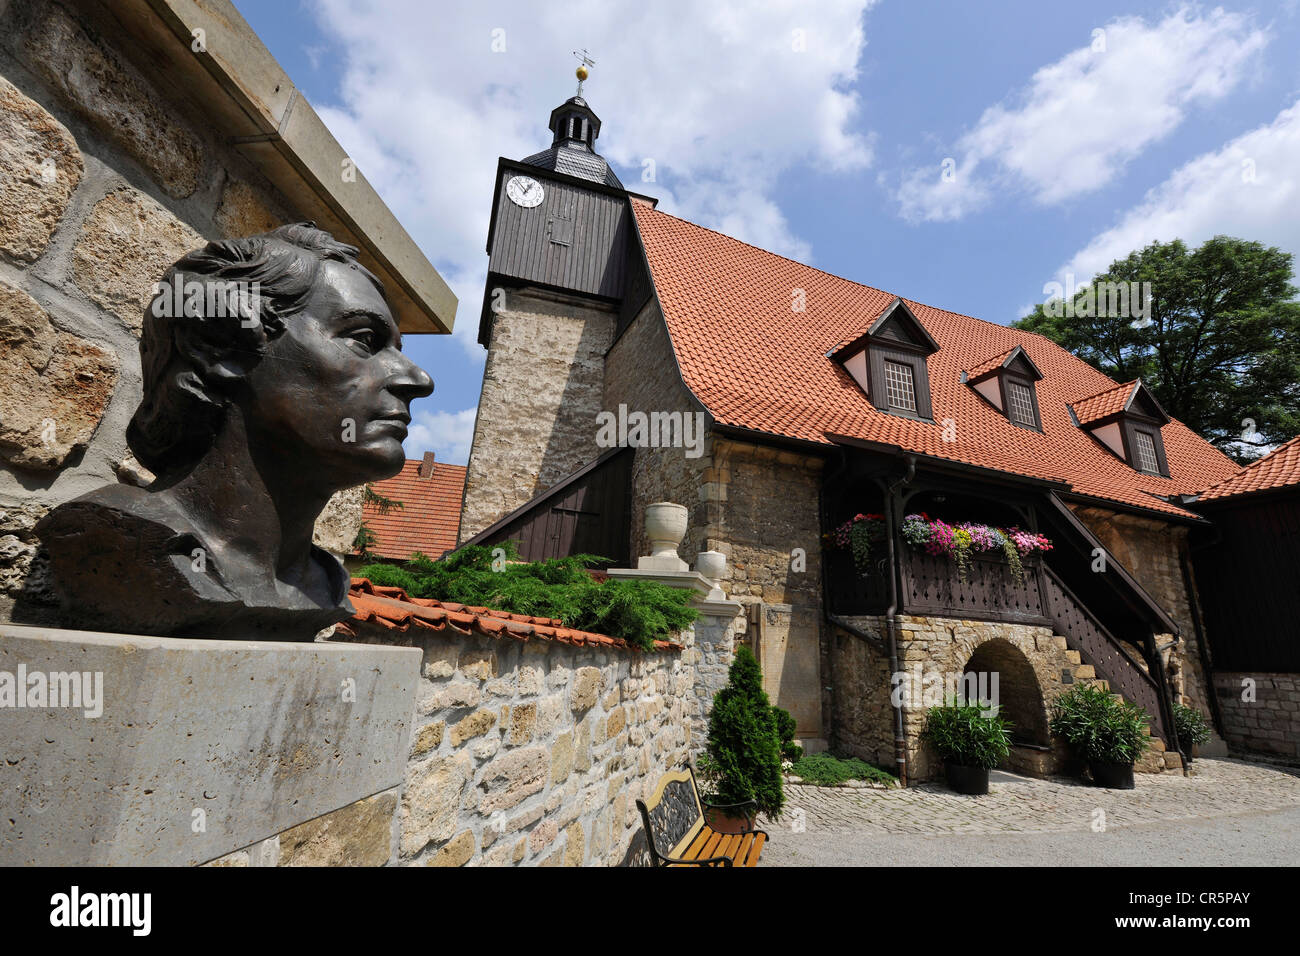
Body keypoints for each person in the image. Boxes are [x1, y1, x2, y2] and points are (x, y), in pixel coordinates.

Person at [30, 223, 433, 640]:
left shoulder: (322, 585)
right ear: (221, 347)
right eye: (363, 339)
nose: (418, 379)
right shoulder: (119, 538)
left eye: (396, 351)